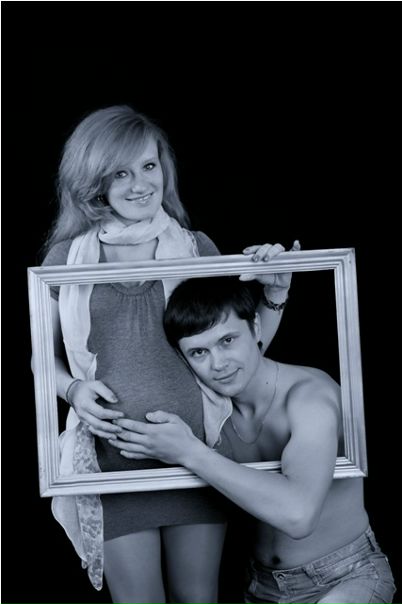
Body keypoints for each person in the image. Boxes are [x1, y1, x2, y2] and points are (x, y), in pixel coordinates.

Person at [41, 104, 296, 604]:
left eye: (148, 166)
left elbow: (242, 353)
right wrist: (72, 389)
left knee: (197, 598)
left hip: (195, 458)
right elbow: (40, 361)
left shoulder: (196, 249)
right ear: (94, 182)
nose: (140, 184)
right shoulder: (66, 260)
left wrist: (275, 292)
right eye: (120, 173)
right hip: (113, 462)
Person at [110, 276, 396, 604]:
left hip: (345, 577)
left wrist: (191, 453)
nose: (218, 364)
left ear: (256, 328)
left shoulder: (309, 398)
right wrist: (72, 389)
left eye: (228, 340)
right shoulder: (212, 411)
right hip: (262, 588)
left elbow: (298, 515)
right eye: (199, 352)